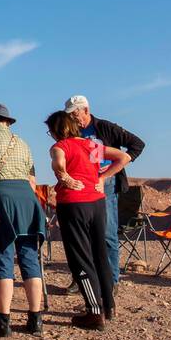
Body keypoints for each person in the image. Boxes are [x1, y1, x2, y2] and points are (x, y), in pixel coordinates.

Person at [46, 110, 132, 329]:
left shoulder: (61, 146)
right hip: (97, 202)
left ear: (57, 129)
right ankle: (109, 306)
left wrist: (64, 176)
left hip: (74, 204)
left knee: (80, 259)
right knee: (100, 253)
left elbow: (58, 162)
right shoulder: (91, 145)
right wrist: (102, 178)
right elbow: (123, 157)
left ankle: (94, 312)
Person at [0, 103, 48, 336]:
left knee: (3, 257)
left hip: (3, 195)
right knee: (29, 258)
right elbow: (32, 178)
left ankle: (3, 321)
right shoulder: (24, 144)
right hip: (27, 197)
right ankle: (35, 320)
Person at [64, 95, 145, 290]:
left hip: (104, 184)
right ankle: (83, 280)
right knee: (82, 234)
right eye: (70, 115)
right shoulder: (71, 131)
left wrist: (112, 171)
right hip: (80, 184)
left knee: (107, 232)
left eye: (76, 114)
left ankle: (111, 281)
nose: (74, 118)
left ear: (86, 110)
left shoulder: (106, 128)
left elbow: (137, 145)